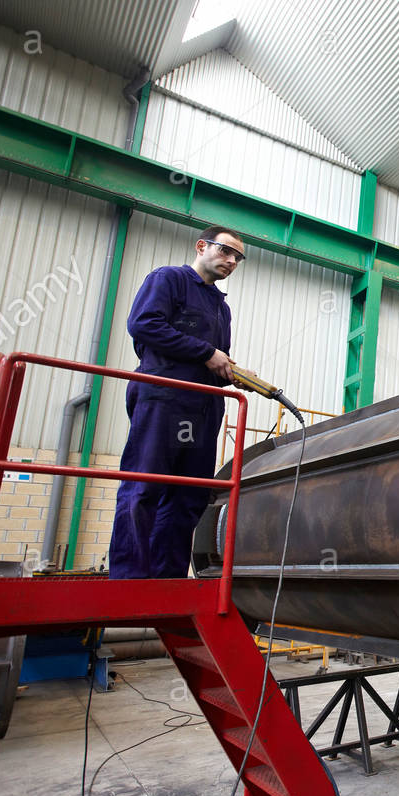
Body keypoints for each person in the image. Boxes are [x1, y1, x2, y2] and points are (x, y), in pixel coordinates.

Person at [108, 226, 245, 578]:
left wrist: (227, 368)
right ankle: (130, 578)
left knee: (189, 496)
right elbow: (143, 324)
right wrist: (207, 353)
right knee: (145, 486)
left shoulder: (220, 306)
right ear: (202, 246)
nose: (231, 261)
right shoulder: (169, 280)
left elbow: (215, 356)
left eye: (238, 258)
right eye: (225, 251)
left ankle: (166, 577)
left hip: (204, 406)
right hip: (165, 398)